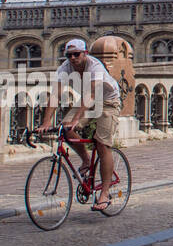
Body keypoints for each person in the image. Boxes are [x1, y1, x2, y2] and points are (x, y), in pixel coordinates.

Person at [37, 38, 121, 213]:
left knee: (102, 143)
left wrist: (77, 118)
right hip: (87, 102)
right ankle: (86, 160)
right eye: (69, 55)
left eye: (77, 54)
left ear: (85, 54)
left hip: (108, 102)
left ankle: (104, 194)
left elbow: (92, 93)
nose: (73, 58)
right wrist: (46, 122)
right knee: (65, 129)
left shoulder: (94, 66)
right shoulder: (64, 68)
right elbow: (55, 95)